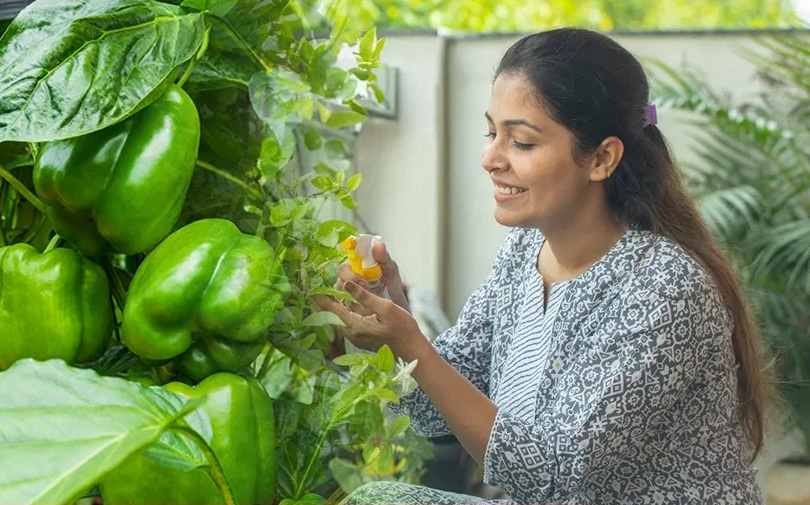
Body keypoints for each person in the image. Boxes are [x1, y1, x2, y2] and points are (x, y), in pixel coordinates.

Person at [313, 27, 774, 504]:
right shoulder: (521, 255)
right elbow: (435, 409)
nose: (490, 158)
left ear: (601, 158)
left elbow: (554, 474)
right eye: (491, 132)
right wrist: (394, 323)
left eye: (522, 143)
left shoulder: (664, 290)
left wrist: (414, 348)